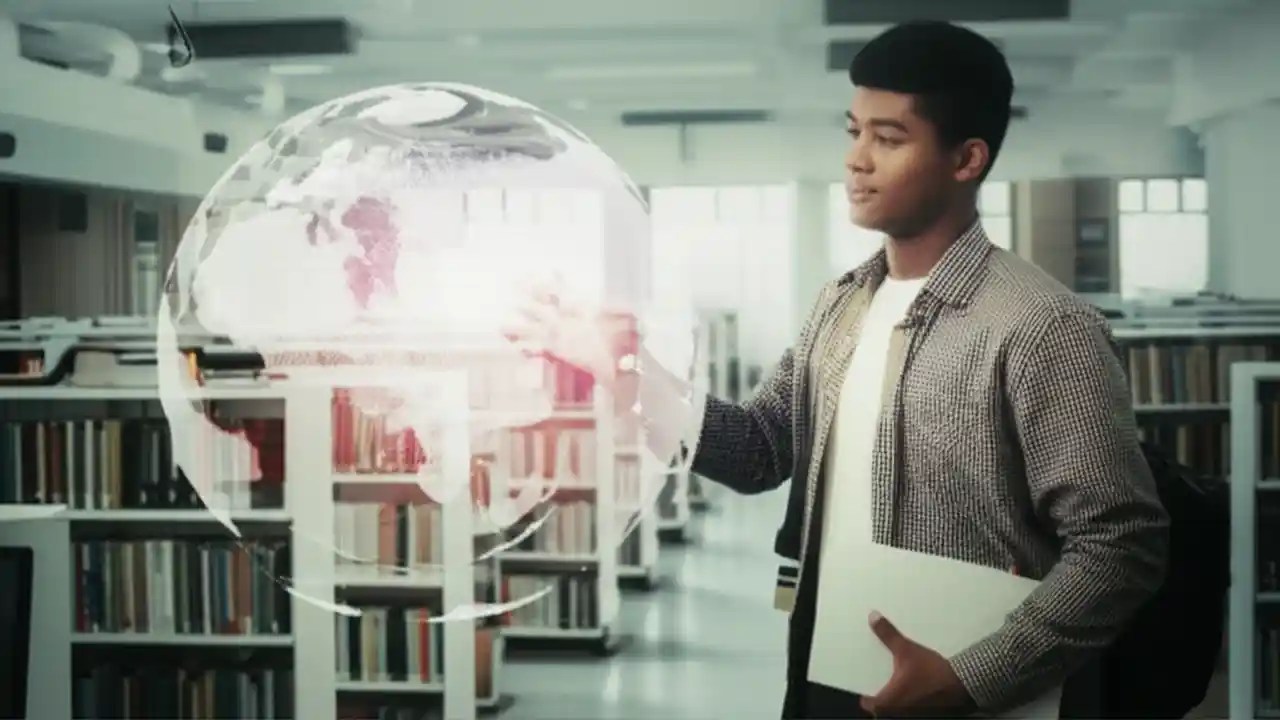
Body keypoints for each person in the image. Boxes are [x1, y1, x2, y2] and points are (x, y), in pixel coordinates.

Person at [509, 19, 1169, 720]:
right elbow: (760, 451)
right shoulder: (842, 305)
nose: (856, 159)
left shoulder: (1043, 328)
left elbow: (1121, 545)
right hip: (828, 674)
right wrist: (623, 373)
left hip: (974, 698)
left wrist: (975, 678)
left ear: (966, 159)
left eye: (888, 139)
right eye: (853, 131)